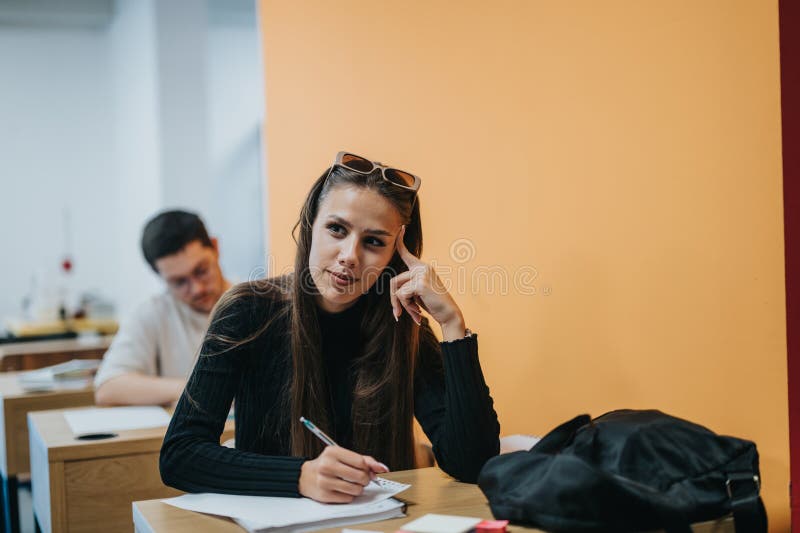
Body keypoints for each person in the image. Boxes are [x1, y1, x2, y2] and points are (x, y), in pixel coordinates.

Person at [160, 152, 500, 503]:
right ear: (310, 226)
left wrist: (452, 324)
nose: (349, 255)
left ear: (394, 257)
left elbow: (474, 463)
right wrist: (300, 477)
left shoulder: (405, 327)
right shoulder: (248, 310)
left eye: (374, 241)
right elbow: (180, 456)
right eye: (336, 229)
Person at [94, 210, 231, 406]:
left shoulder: (258, 303)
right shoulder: (153, 314)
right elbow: (108, 388)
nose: (196, 289)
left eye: (201, 271)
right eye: (178, 282)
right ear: (160, 277)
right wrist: (201, 389)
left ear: (216, 248)